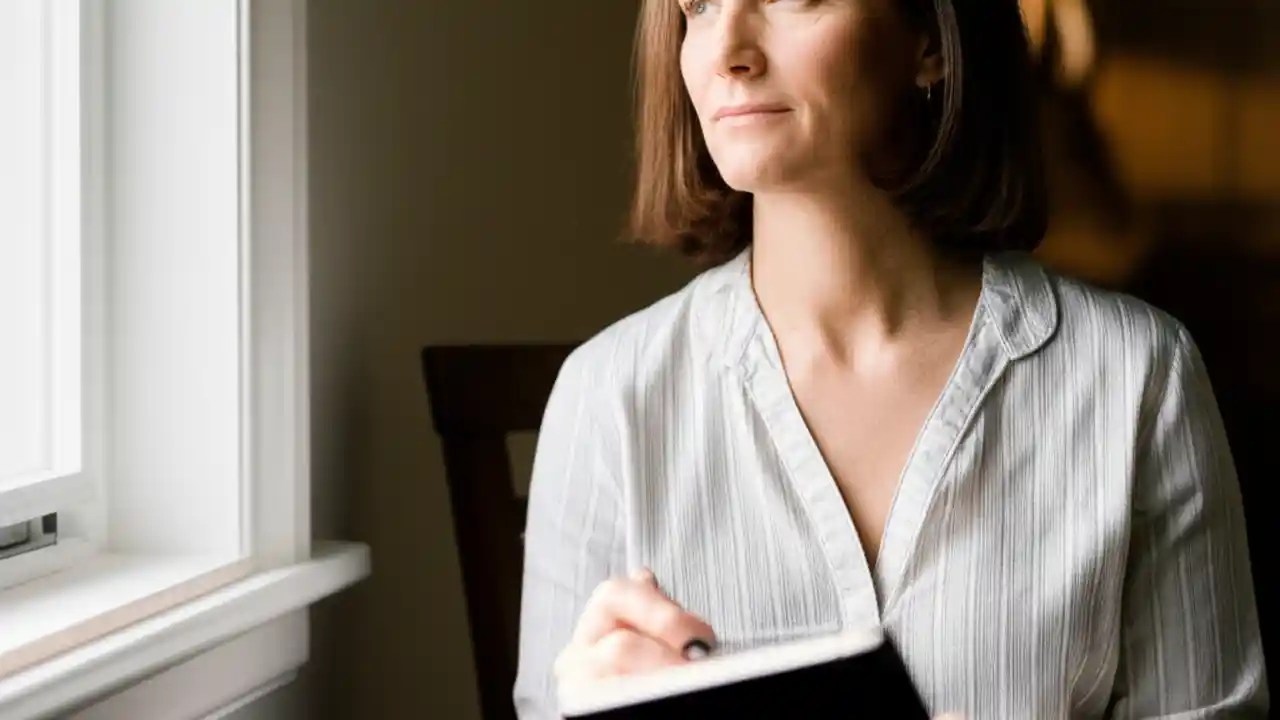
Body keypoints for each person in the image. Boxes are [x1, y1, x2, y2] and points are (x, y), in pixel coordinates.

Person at [513, 0, 1269, 717]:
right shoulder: (606, 396)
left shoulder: (1140, 378)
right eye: (700, 5)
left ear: (932, 43)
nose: (728, 53)